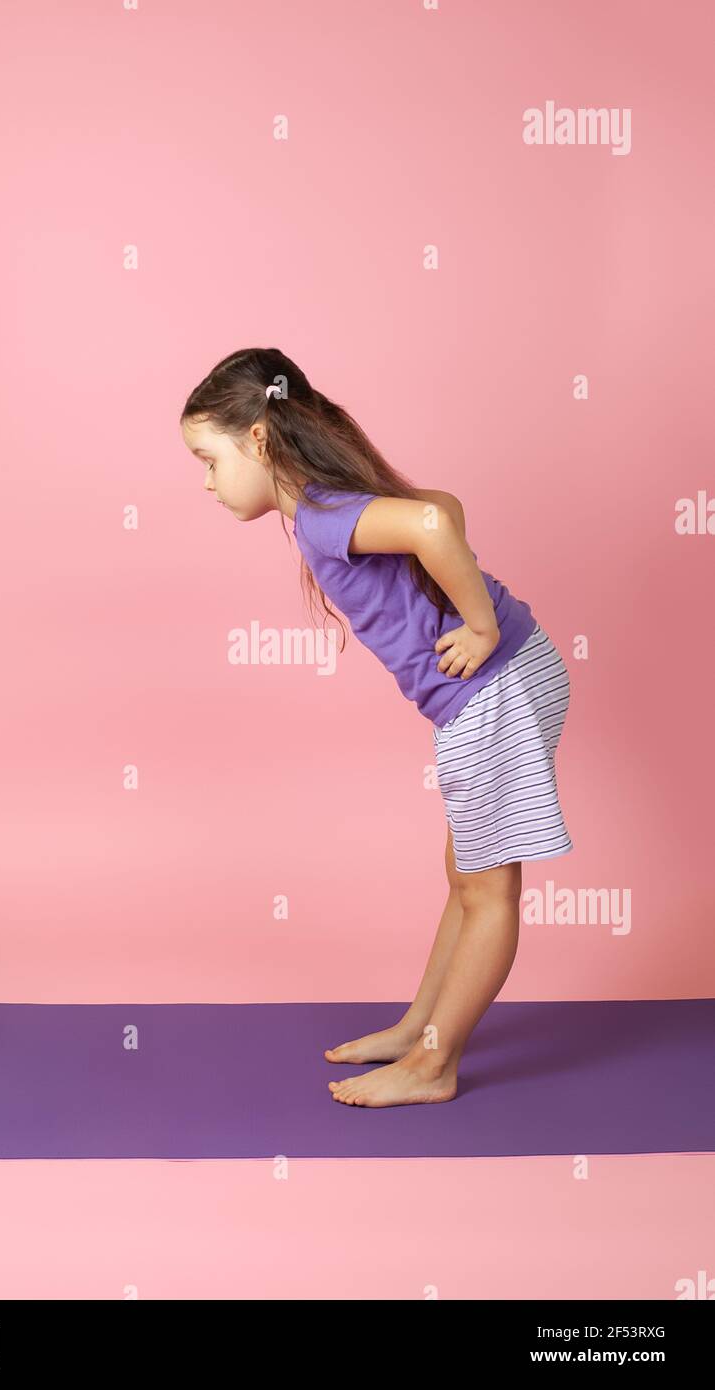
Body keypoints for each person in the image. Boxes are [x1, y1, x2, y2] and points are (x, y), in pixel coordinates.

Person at [180, 347, 574, 1108]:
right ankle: (420, 1029)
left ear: (257, 441)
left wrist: (481, 626)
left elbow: (432, 521)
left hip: (496, 691)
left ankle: (435, 1065)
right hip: (498, 690)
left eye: (209, 460)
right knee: (466, 881)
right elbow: (444, 509)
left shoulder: (324, 516)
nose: (206, 483)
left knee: (489, 892)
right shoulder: (327, 509)